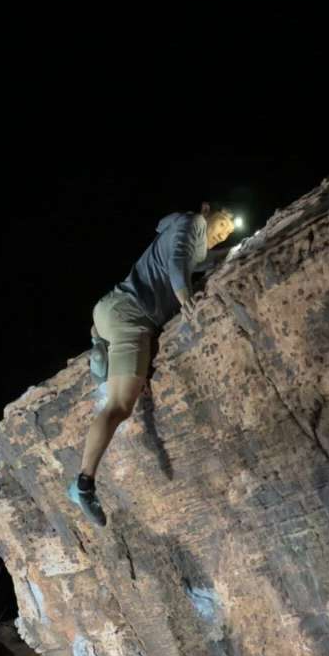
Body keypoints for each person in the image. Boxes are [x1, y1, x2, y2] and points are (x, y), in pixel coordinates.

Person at [68, 203, 236, 527]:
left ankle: (100, 349)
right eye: (222, 223)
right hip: (133, 317)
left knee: (115, 401)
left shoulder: (182, 238)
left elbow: (198, 259)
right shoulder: (193, 222)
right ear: (207, 210)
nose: (221, 232)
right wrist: (186, 299)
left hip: (111, 309)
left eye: (227, 232)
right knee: (118, 406)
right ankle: (84, 484)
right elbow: (177, 265)